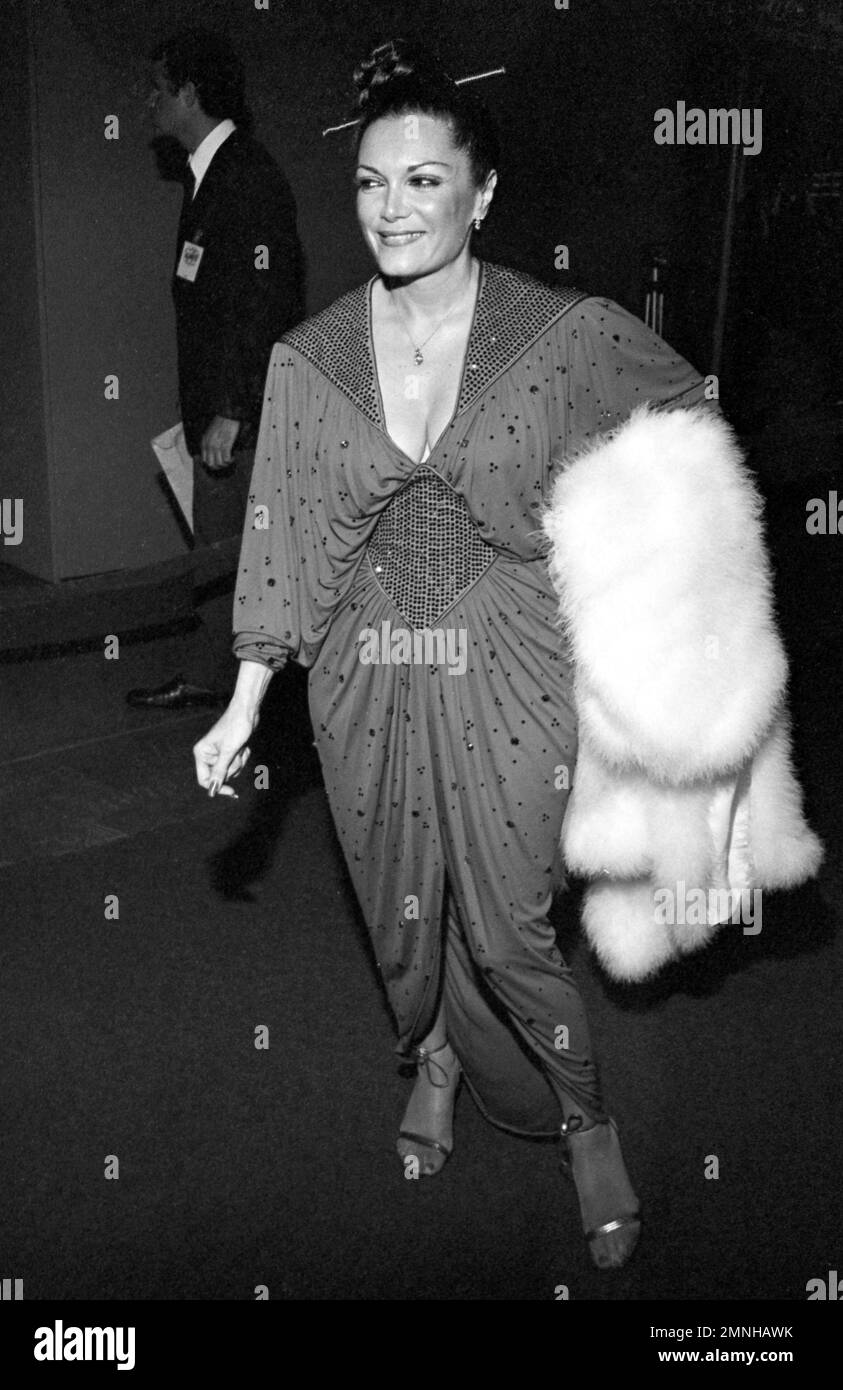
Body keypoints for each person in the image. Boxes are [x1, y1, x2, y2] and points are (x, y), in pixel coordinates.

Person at [193, 40, 713, 1270]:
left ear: (480, 195)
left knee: (508, 917)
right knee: (395, 902)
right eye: (372, 183)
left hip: (514, 656)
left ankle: (585, 1120)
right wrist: (243, 697)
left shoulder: (562, 333)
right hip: (364, 664)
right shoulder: (309, 359)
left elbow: (684, 414)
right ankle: (425, 1058)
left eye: (425, 182)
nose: (393, 208)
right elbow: (282, 532)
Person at [129, 27, 302, 710]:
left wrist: (234, 407)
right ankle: (218, 679)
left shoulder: (246, 176)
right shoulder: (209, 177)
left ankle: (254, 695)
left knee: (235, 556)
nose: (147, 102)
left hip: (241, 413)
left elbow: (267, 300)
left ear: (189, 93)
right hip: (221, 408)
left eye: (157, 88)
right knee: (222, 552)